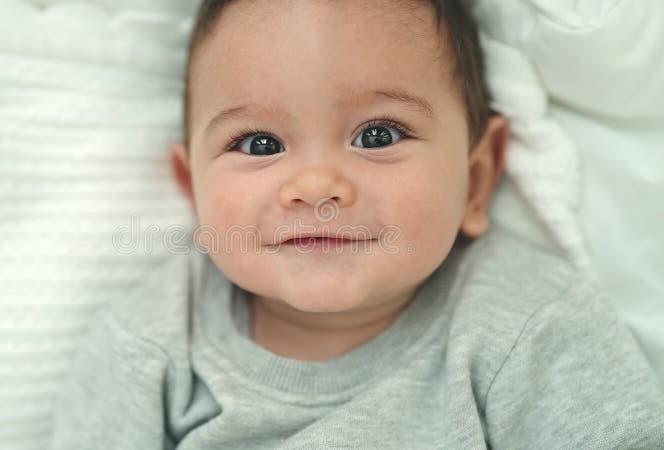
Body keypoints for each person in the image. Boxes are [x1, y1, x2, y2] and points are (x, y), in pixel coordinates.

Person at [49, 0, 664, 448]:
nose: (316, 186)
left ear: (476, 181)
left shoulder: (529, 326)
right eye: (260, 144)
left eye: (377, 135)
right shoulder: (151, 346)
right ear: (194, 194)